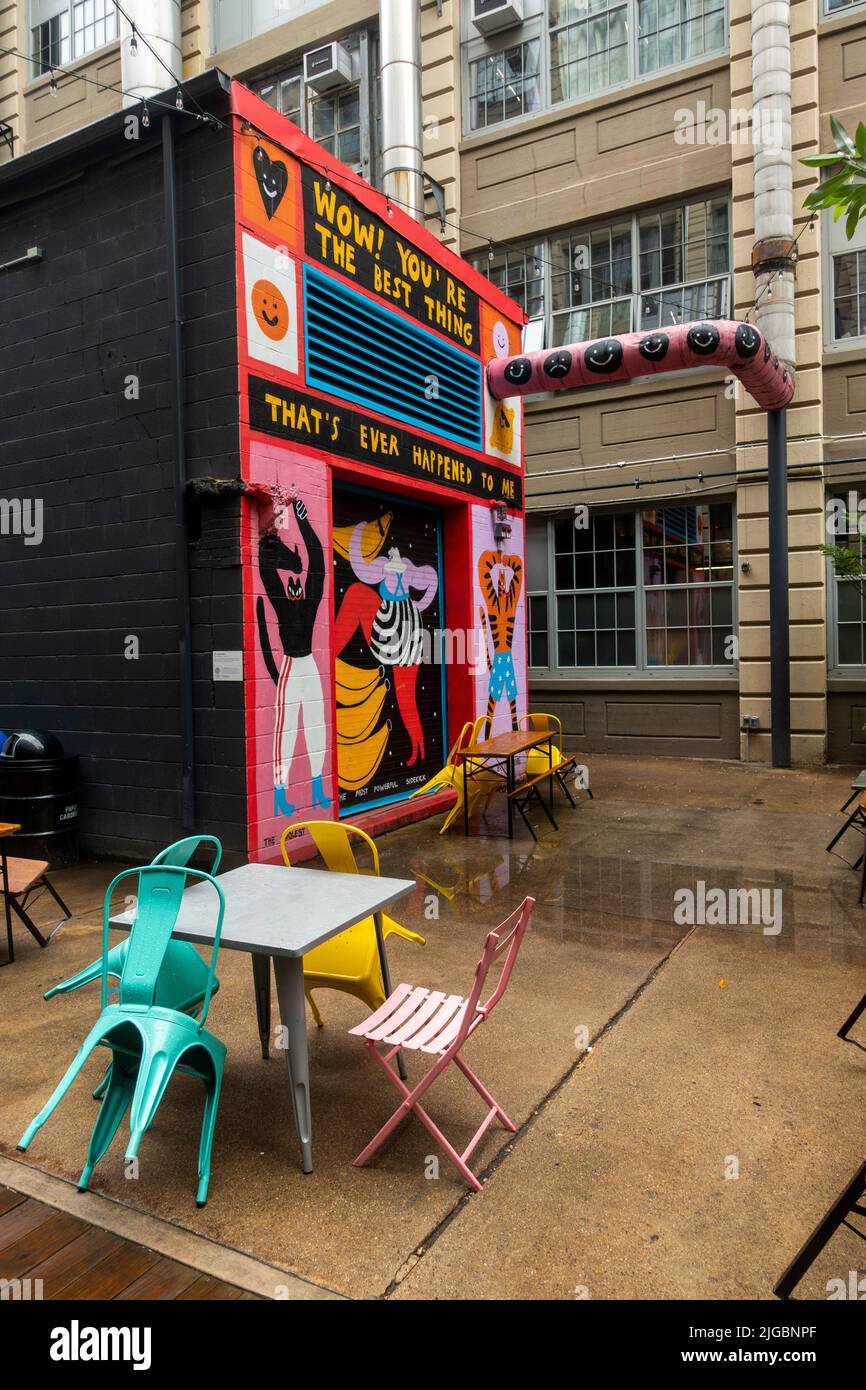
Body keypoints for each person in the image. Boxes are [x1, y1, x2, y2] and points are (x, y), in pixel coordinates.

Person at [334, 527, 438, 766]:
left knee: (406, 695)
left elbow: (360, 566)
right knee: (407, 695)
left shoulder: (384, 565)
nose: (391, 549)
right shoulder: (409, 568)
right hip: (407, 626)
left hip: (392, 624)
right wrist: (418, 606)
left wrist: (420, 604)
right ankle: (418, 751)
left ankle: (418, 750)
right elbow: (431, 577)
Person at [257, 494, 331, 816]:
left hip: (308, 664)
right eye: (291, 580)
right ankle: (278, 792)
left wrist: (303, 522)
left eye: (297, 580)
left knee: (316, 724)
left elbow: (318, 565)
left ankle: (316, 787)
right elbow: (267, 574)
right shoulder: (284, 603)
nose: (295, 583)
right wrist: (270, 538)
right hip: (290, 662)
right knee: (285, 728)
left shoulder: (307, 601)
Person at [478, 549, 523, 733]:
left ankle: (513, 731)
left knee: (507, 700)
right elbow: (483, 569)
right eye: (500, 583)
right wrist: (500, 559)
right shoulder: (494, 607)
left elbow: (518, 570)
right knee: (495, 699)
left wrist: (504, 561)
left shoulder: (507, 605)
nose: (502, 586)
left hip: (503, 657)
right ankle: (490, 733)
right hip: (501, 657)